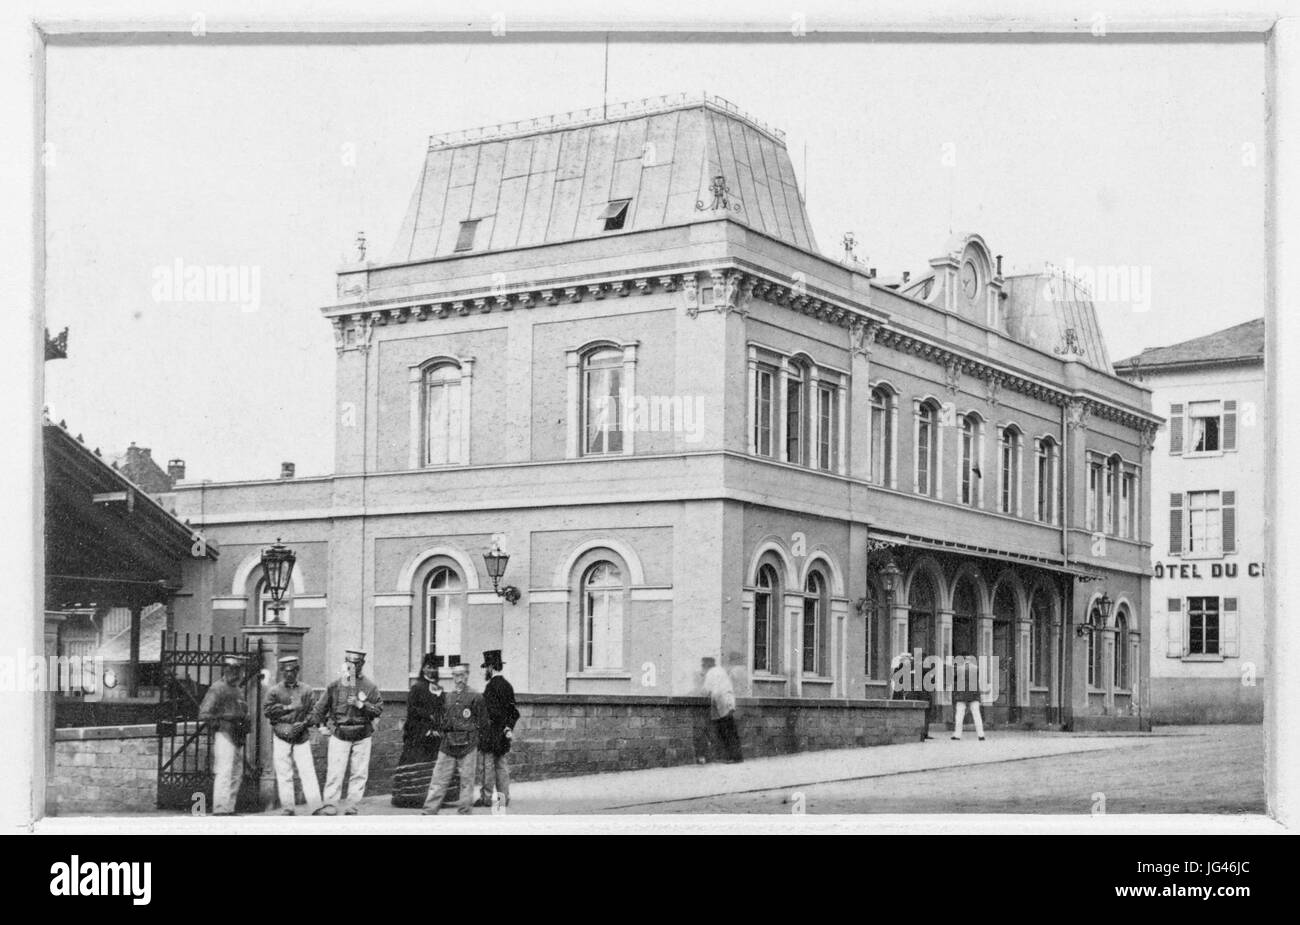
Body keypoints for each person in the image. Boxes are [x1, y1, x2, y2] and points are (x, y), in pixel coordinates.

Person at [311, 649, 384, 815]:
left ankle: (352, 805)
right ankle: (330, 805)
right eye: (349, 663)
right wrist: (321, 726)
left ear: (362, 664)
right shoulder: (335, 686)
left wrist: (362, 704)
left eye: (356, 663)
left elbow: (379, 709)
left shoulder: (369, 686)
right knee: (335, 772)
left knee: (359, 773)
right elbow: (319, 709)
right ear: (345, 663)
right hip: (340, 734)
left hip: (362, 735)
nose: (352, 666)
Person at [422, 662, 486, 815]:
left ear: (467, 676)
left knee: (467, 781)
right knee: (438, 779)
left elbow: (482, 722)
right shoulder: (447, 696)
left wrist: (473, 738)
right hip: (448, 745)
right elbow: (441, 718)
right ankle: (429, 810)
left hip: (468, 745)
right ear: (452, 677)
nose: (459, 679)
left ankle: (464, 811)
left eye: (462, 675)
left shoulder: (476, 696)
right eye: (456, 675)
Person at [264, 654, 323, 815]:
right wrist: (287, 709)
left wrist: (303, 723)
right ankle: (288, 807)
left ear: (297, 670)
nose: (289, 674)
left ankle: (316, 806)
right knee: (284, 772)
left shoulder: (306, 690)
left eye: (292, 670)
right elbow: (268, 711)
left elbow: (315, 712)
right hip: (281, 734)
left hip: (301, 735)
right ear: (282, 672)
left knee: (307, 770)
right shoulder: (274, 691)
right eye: (286, 671)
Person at [391, 652, 446, 808]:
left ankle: (434, 797)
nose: (431, 670)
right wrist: (427, 728)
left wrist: (437, 728)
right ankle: (413, 798)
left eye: (434, 667)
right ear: (423, 668)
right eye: (428, 667)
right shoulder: (417, 688)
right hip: (419, 734)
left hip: (436, 735)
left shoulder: (440, 690)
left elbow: (443, 711)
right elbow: (413, 712)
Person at [198, 654, 249, 816]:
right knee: (224, 770)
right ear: (225, 670)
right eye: (232, 669)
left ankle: (229, 807)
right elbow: (204, 713)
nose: (235, 673)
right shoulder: (217, 688)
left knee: (236, 772)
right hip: (225, 733)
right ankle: (220, 808)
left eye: (237, 669)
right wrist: (221, 724)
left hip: (238, 733)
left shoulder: (238, 690)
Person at [474, 649, 519, 809]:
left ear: (491, 667)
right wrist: (508, 728)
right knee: (501, 767)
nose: (486, 671)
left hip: (490, 734)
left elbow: (489, 713)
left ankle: (486, 799)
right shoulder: (508, 686)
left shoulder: (491, 687)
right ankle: (503, 800)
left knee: (488, 767)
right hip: (502, 734)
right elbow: (514, 712)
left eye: (486, 667)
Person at [702, 656, 743, 763]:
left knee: (726, 731)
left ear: (707, 665)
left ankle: (732, 757)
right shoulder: (721, 671)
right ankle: (736, 756)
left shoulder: (710, 673)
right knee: (730, 730)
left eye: (703, 665)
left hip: (722, 702)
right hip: (729, 701)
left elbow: (706, 690)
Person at [951, 653, 986, 741]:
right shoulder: (976, 668)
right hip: (974, 694)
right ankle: (981, 735)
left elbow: (954, 680)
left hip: (961, 694)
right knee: (977, 714)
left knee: (959, 715)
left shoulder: (958, 668)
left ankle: (957, 735)